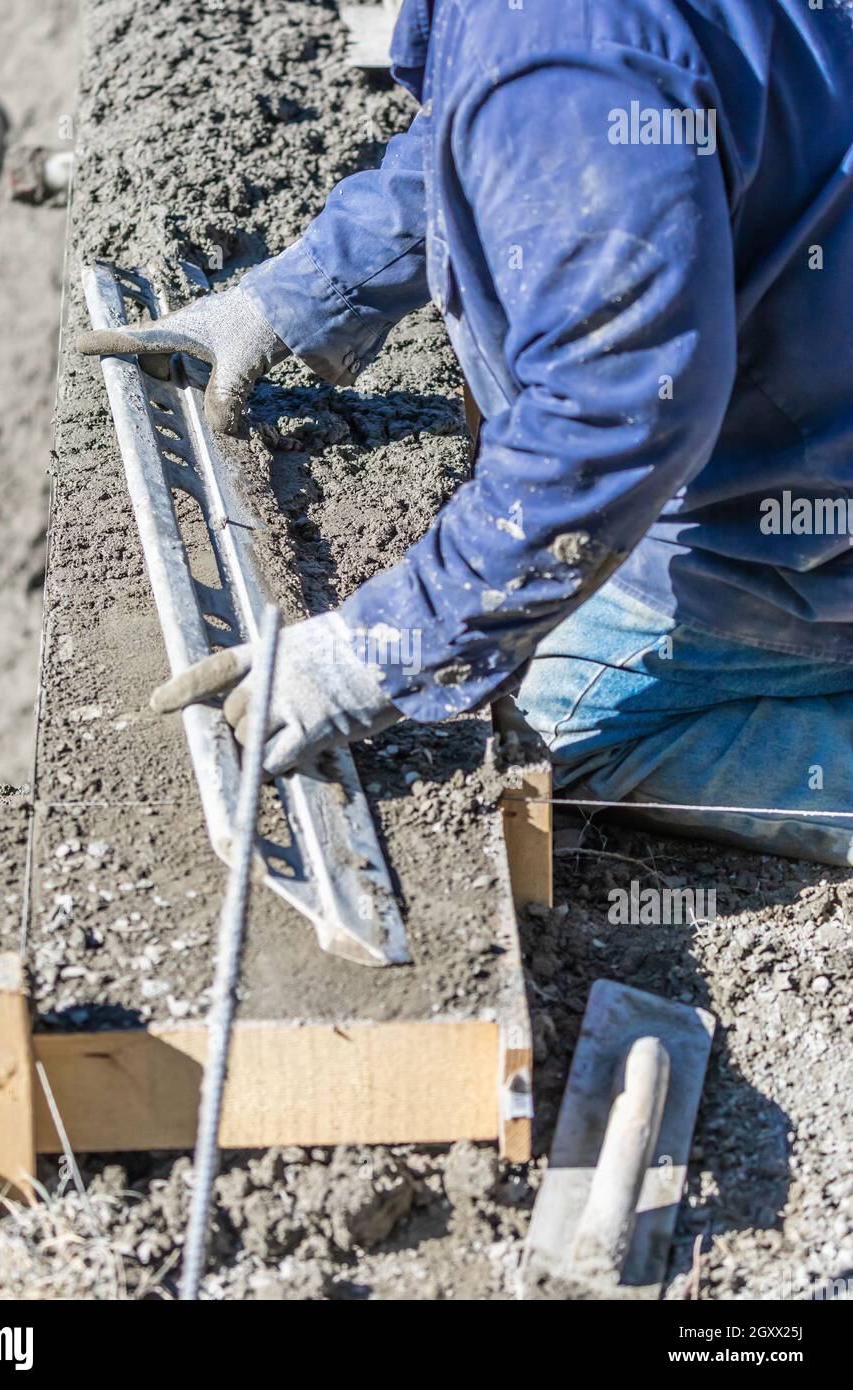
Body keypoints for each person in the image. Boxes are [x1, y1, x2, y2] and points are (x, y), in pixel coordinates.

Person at [79, 0, 853, 865]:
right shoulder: (543, 38)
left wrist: (383, 650)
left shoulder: (564, 53)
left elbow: (614, 410)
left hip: (804, 519)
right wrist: (299, 293)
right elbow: (502, 140)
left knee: (549, 721)